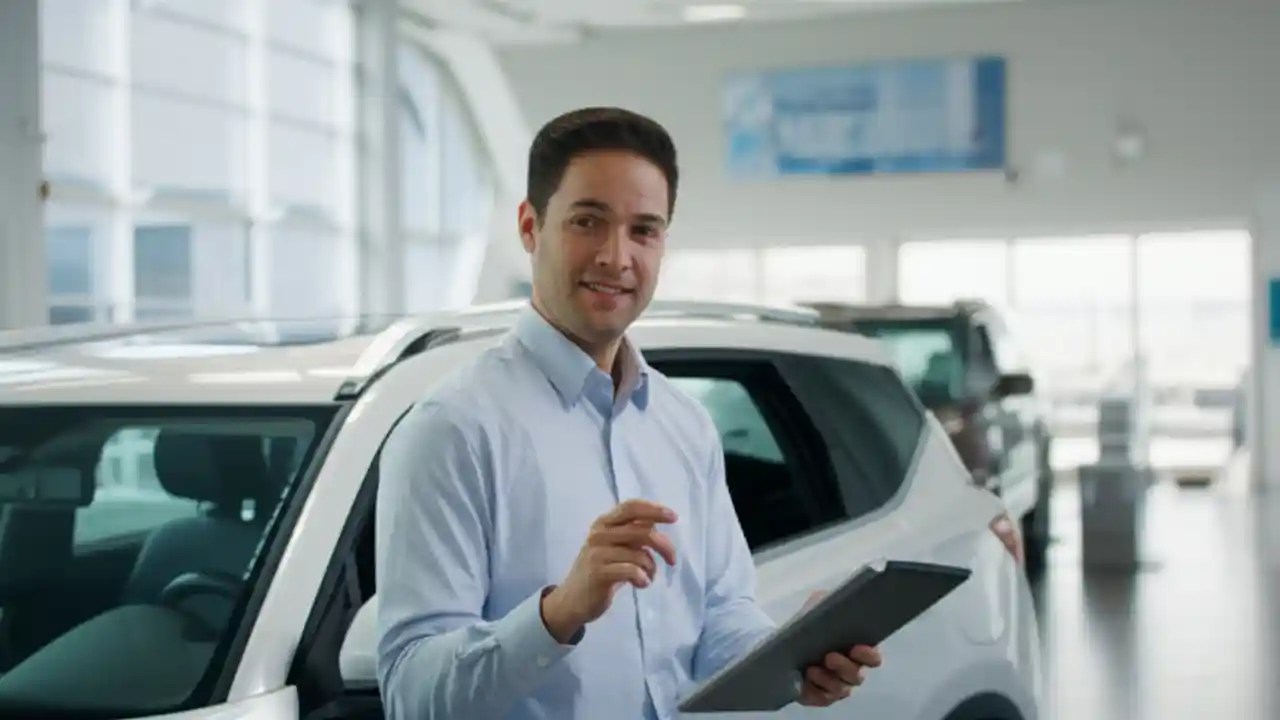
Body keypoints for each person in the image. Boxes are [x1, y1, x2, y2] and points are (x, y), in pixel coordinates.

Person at [374, 106, 882, 720]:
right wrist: (558, 612)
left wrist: (791, 660)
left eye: (645, 230)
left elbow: (721, 616)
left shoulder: (683, 424)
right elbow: (410, 694)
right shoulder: (451, 430)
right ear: (530, 228)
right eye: (589, 221)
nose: (617, 257)